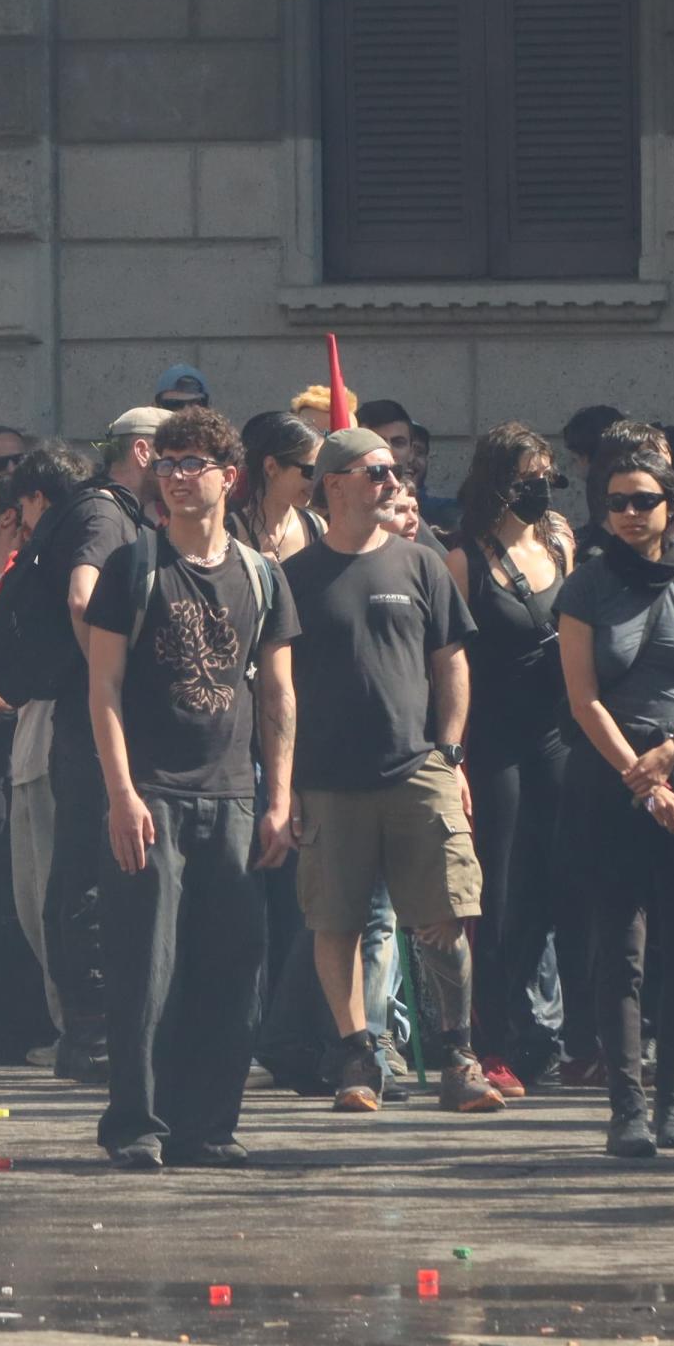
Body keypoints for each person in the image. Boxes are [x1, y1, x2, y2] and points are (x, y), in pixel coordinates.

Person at [83, 406, 297, 1169]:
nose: (175, 477)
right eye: (166, 463)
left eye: (191, 463)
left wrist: (279, 799)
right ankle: (136, 1126)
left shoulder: (262, 576)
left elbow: (279, 693)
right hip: (152, 794)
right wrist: (121, 793)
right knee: (145, 970)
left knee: (230, 969)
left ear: (229, 477)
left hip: (234, 796)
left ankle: (208, 1124)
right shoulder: (132, 567)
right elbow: (103, 688)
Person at [286, 427, 493, 1114]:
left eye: (394, 471)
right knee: (336, 922)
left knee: (447, 916)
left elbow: (452, 662)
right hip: (328, 780)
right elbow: (277, 689)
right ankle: (358, 1053)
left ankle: (459, 1054)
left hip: (418, 768)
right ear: (334, 483)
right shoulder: (295, 577)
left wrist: (451, 752)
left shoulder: (421, 564)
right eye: (376, 471)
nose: (392, 482)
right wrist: (286, 783)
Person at [558, 444, 674, 1158]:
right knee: (619, 950)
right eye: (618, 503)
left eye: (645, 501)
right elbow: (581, 697)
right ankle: (626, 1106)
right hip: (611, 772)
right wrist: (640, 775)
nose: (631, 514)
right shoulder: (586, 587)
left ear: (671, 507)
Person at [32, 410, 163, 1083]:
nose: (181, 472)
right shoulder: (107, 514)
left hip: (92, 717)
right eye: (172, 455)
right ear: (141, 451)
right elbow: (83, 600)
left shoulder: (116, 512)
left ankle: (97, 1029)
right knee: (88, 871)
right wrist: (111, 683)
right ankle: (89, 1031)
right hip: (91, 722)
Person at [449, 423, 577, 1095]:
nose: (540, 490)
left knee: (550, 886)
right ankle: (489, 1040)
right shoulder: (464, 558)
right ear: (498, 480)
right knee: (495, 894)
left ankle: (540, 1035)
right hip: (492, 741)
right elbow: (451, 663)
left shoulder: (559, 542)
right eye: (528, 478)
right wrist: (451, 754)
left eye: (546, 477)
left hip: (555, 735)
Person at [0, 441, 97, 1050]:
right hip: (38, 736)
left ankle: (77, 1026)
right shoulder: (66, 548)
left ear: (37, 498)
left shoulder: (63, 553)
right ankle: (74, 1026)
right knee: (36, 895)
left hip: (54, 733)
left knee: (48, 894)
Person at [231, 412, 325, 564]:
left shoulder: (316, 526)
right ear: (271, 467)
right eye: (311, 471)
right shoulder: (228, 533)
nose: (317, 481)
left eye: (321, 471)